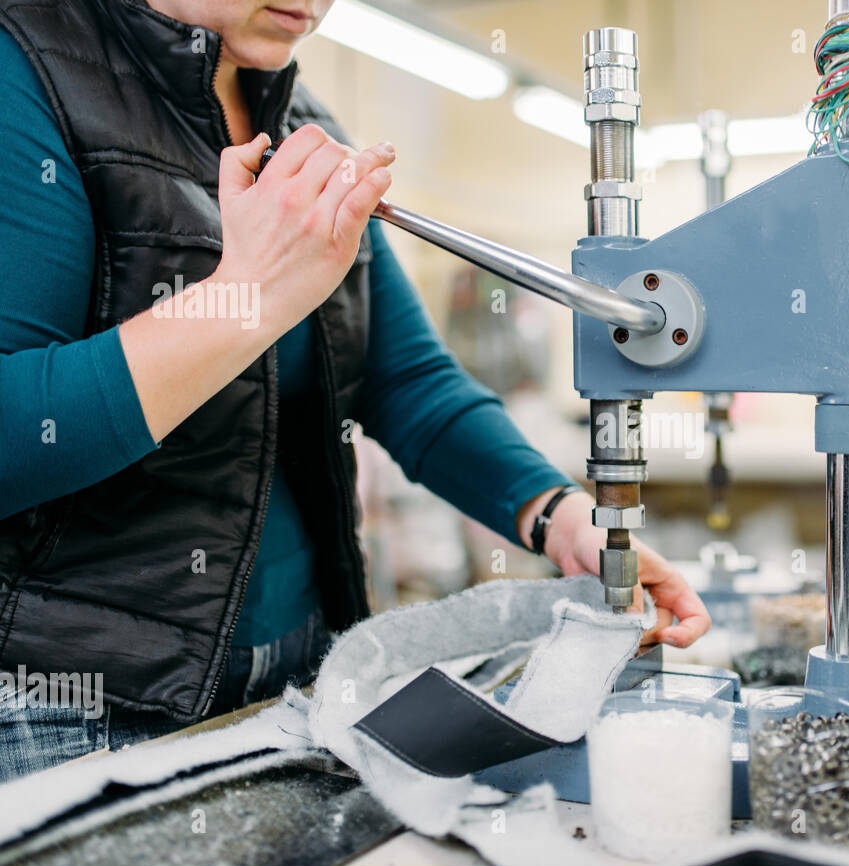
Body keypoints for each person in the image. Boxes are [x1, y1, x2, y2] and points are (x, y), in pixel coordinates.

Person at [0, 0, 709, 782]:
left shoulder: (297, 120)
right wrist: (246, 298)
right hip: (78, 709)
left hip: (297, 682)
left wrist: (557, 512)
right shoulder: (27, 70)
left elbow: (407, 381)